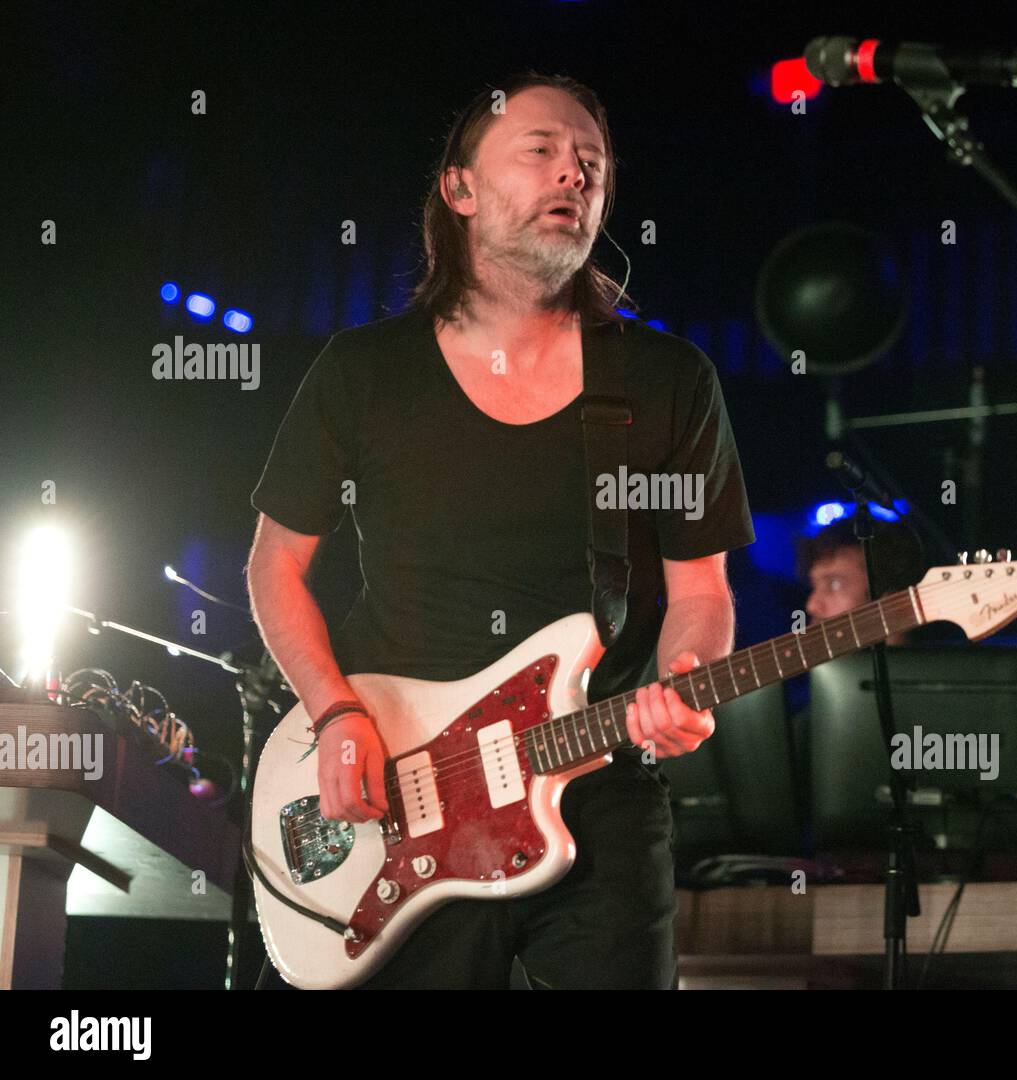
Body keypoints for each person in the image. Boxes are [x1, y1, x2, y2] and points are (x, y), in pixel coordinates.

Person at [245, 72, 754, 989]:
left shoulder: (669, 381)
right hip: (399, 790)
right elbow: (274, 567)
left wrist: (685, 680)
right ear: (461, 190)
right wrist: (336, 715)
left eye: (592, 162)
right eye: (543, 150)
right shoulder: (364, 372)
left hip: (597, 782)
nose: (575, 175)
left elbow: (702, 589)